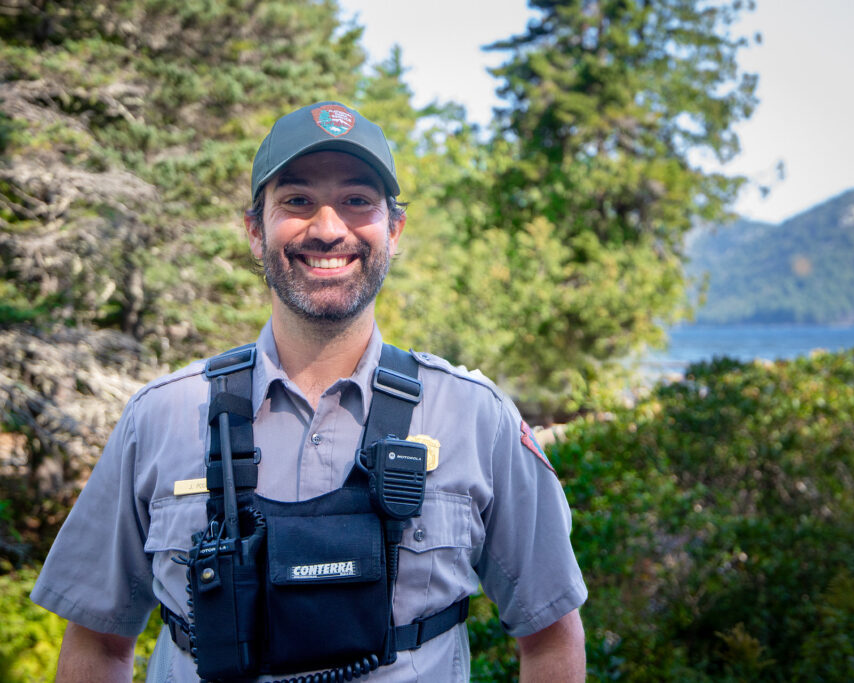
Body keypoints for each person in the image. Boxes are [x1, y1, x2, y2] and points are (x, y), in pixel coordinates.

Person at [31, 101, 587, 682]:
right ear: (254, 230)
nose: (327, 228)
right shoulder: (161, 416)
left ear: (393, 230)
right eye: (296, 201)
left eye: (357, 201)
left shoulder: (476, 417)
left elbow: (550, 638)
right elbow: (97, 644)